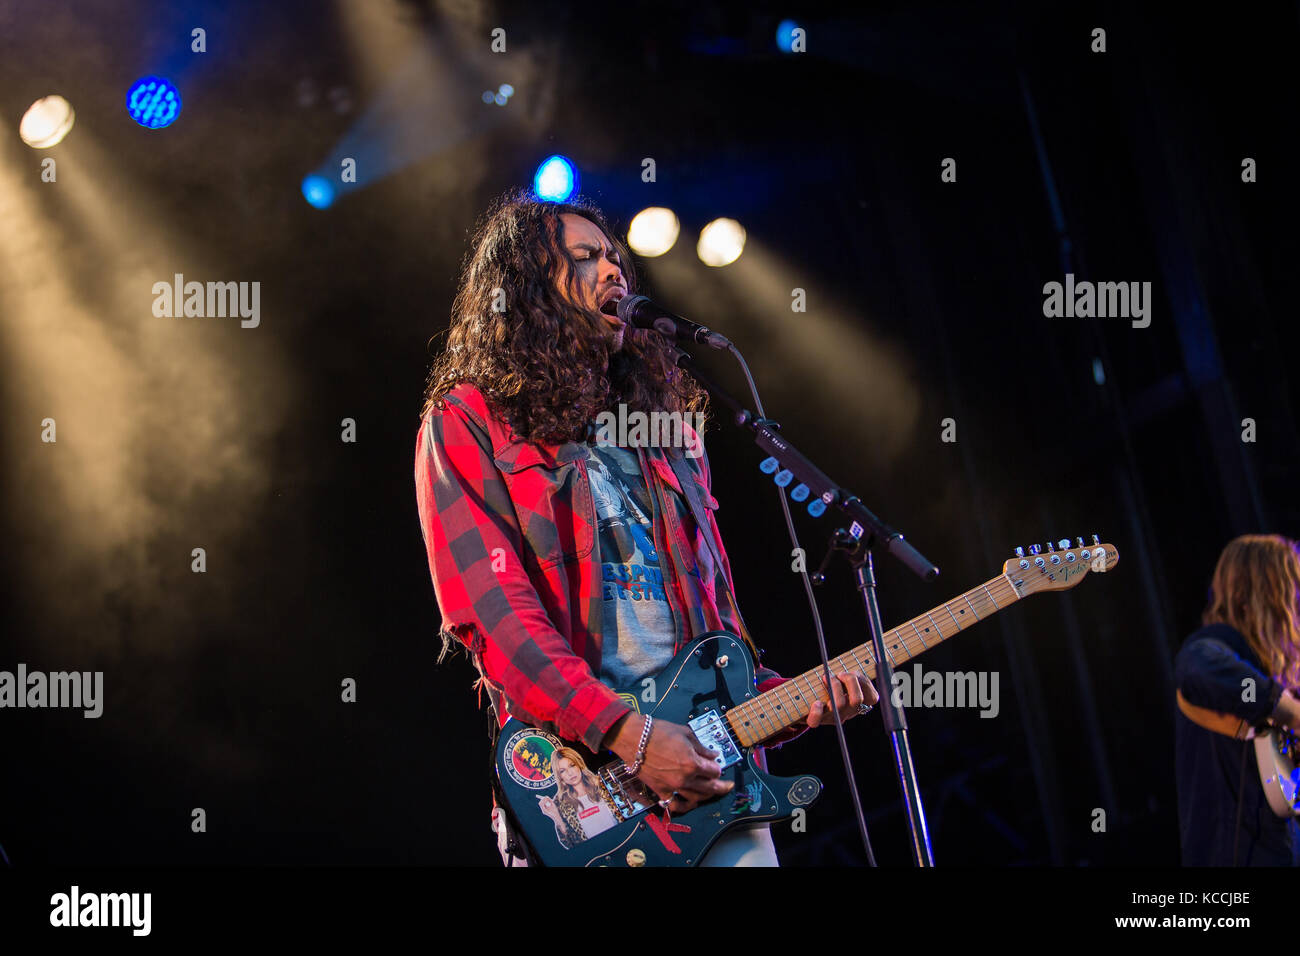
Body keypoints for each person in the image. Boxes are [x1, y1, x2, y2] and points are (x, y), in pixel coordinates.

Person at [414, 190, 876, 866]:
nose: (615, 273)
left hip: (709, 786)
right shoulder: (469, 421)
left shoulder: (669, 434)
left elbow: (715, 634)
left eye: (614, 258)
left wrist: (797, 700)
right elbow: (497, 617)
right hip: (582, 792)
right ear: (527, 287)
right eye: (585, 258)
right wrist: (628, 734)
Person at [1174, 534, 1300, 865]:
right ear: (1267, 596)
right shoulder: (1217, 645)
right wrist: (1291, 712)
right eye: (1292, 591)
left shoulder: (1272, 669)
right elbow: (1197, 669)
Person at [537, 748, 618, 849]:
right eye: (562, 771)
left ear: (579, 764)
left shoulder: (602, 783)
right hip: (597, 853)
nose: (570, 773)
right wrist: (556, 816)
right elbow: (570, 844)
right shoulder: (560, 803)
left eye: (572, 765)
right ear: (559, 776)